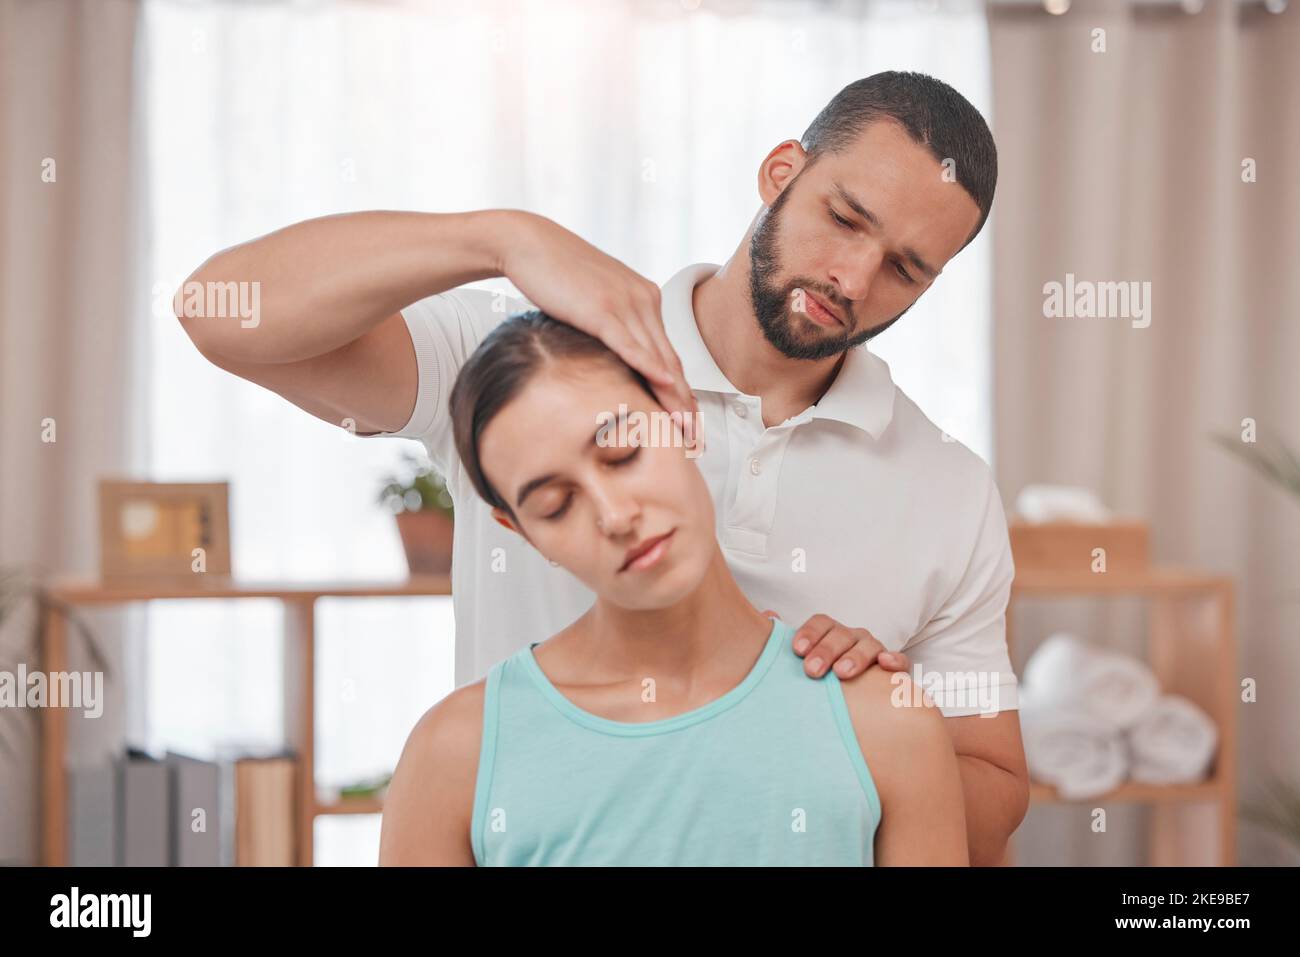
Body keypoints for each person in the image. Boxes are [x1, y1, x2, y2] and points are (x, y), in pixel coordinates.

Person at [178, 71, 1029, 864]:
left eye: (905, 269)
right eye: (845, 218)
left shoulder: (948, 491)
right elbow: (221, 314)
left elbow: (991, 784)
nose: (853, 276)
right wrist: (503, 238)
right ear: (780, 171)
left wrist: (858, 729)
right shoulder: (530, 369)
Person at [378, 310, 968, 865]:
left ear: (681, 417)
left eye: (622, 454)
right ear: (522, 533)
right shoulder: (456, 753)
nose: (615, 515)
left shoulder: (884, 723)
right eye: (556, 506)